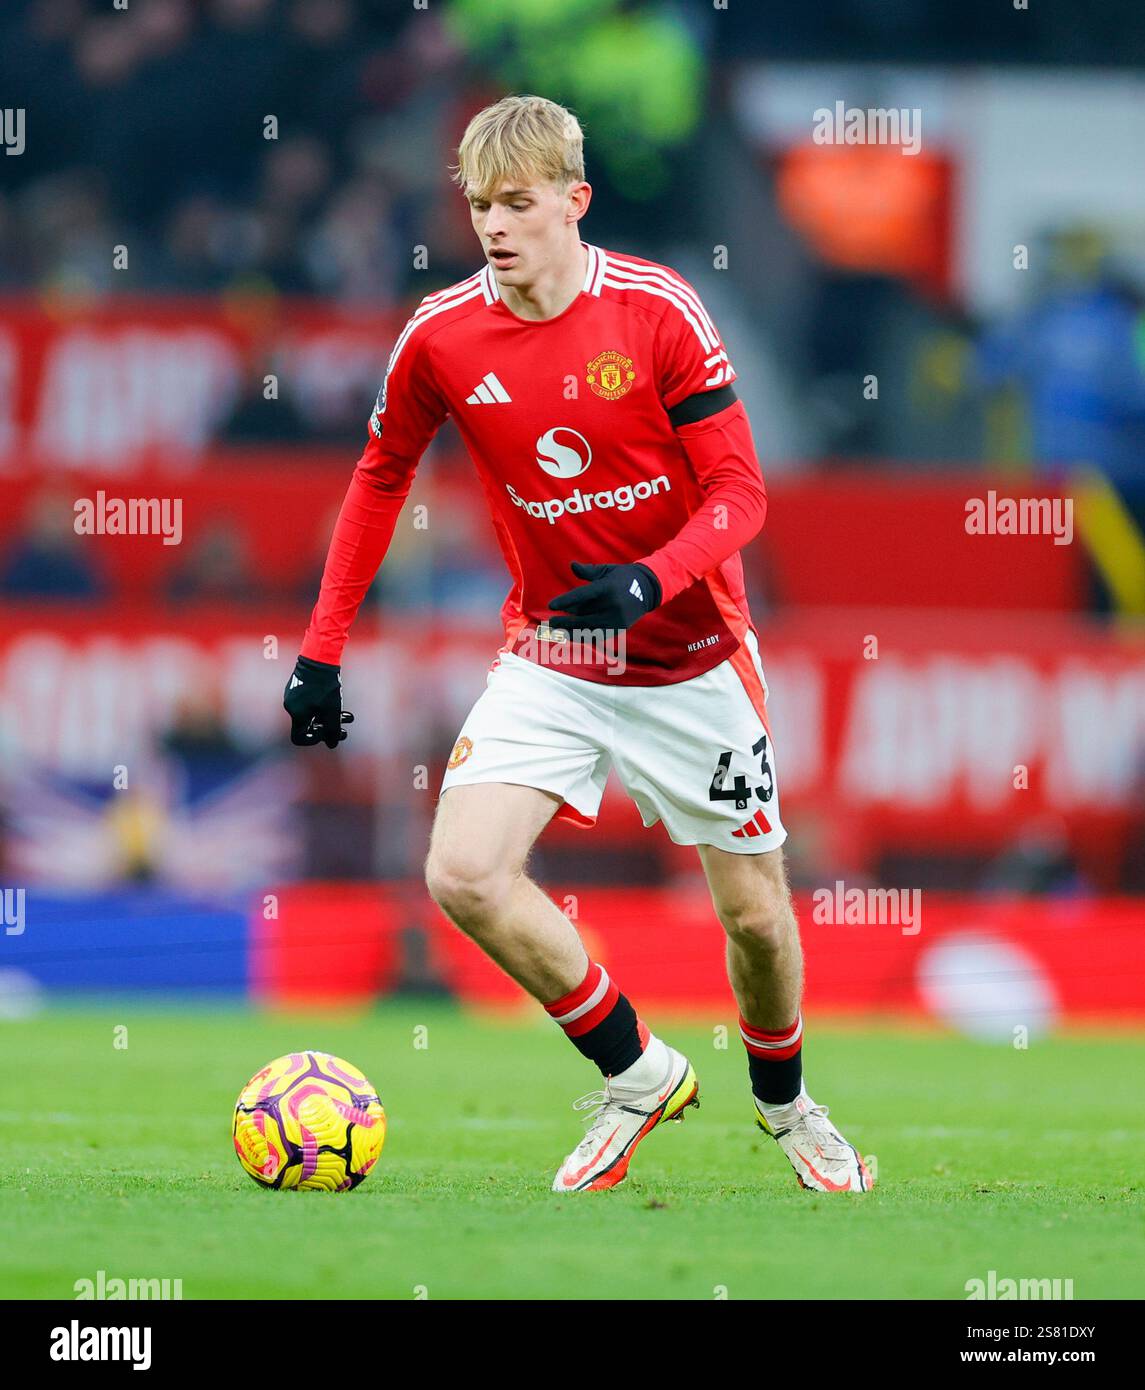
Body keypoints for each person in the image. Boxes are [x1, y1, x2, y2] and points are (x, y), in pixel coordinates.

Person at [284, 94, 872, 1194]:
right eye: (477, 205)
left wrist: (651, 577)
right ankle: (634, 1069)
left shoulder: (658, 311)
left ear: (573, 201)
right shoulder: (441, 335)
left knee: (751, 916)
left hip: (690, 659)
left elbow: (742, 495)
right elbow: (378, 480)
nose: (494, 226)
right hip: (553, 656)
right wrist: (321, 651)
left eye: (517, 203)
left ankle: (786, 1104)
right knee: (461, 873)